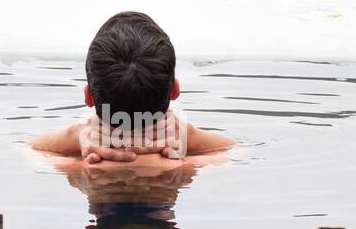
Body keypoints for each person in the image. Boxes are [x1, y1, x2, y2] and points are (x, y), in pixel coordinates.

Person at [29, 11, 235, 164]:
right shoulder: (182, 149)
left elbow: (26, 149)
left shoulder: (82, 155)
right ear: (175, 90)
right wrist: (188, 160)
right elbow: (237, 152)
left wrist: (75, 148)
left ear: (88, 96)